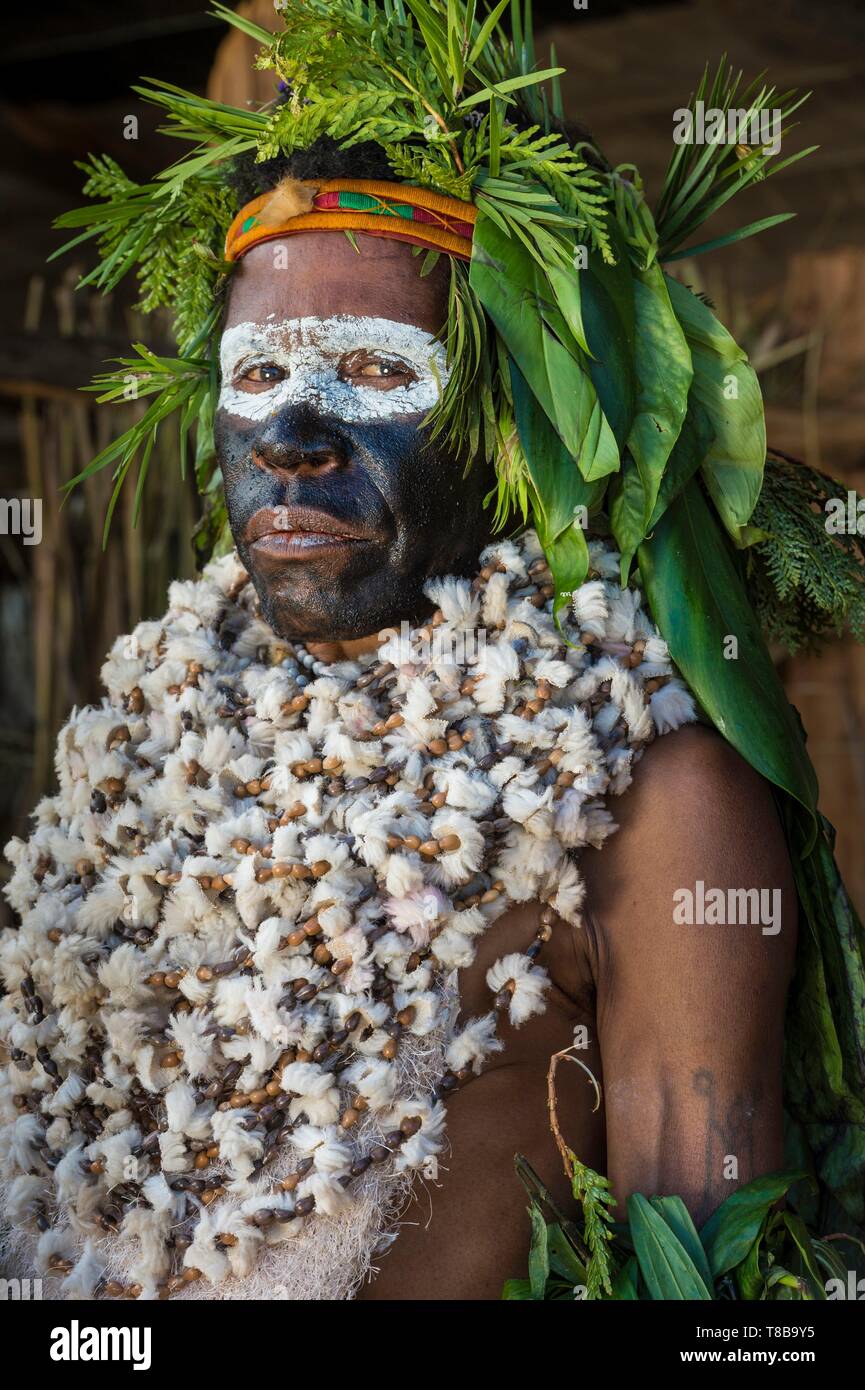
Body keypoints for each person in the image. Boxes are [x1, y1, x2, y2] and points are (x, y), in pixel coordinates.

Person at [1, 1, 862, 1301]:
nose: (293, 433)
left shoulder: (640, 800)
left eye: (368, 366)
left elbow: (718, 1309)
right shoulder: (143, 746)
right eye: (259, 369)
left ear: (499, 425)